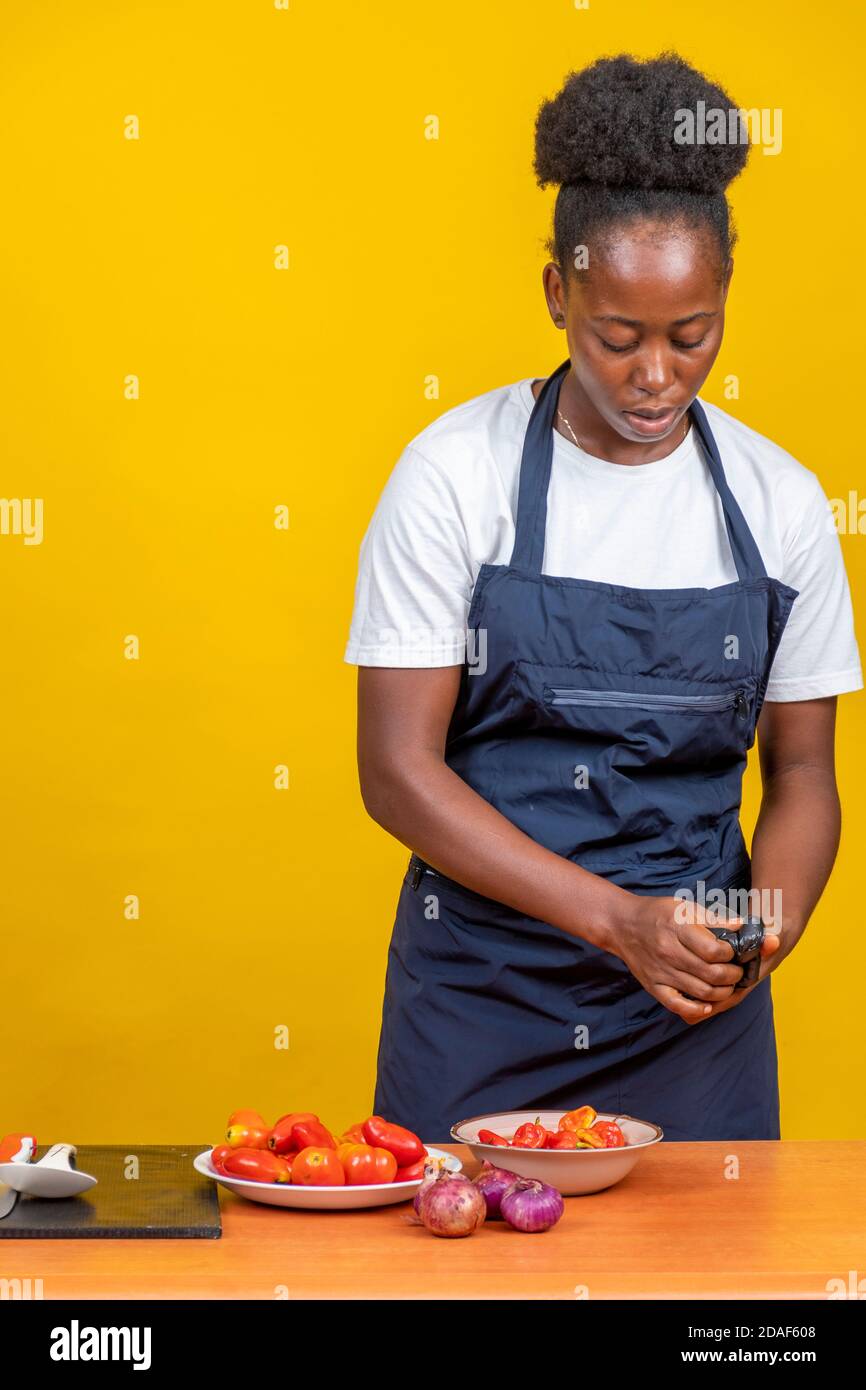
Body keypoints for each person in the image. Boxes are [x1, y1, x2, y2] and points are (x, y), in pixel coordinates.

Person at [344, 53, 862, 1142]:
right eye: (616, 337)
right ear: (556, 293)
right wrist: (614, 920)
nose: (655, 376)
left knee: (702, 1303)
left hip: (693, 1019)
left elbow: (803, 772)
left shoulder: (778, 503)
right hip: (481, 998)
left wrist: (758, 926)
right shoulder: (454, 475)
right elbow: (396, 770)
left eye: (692, 335)